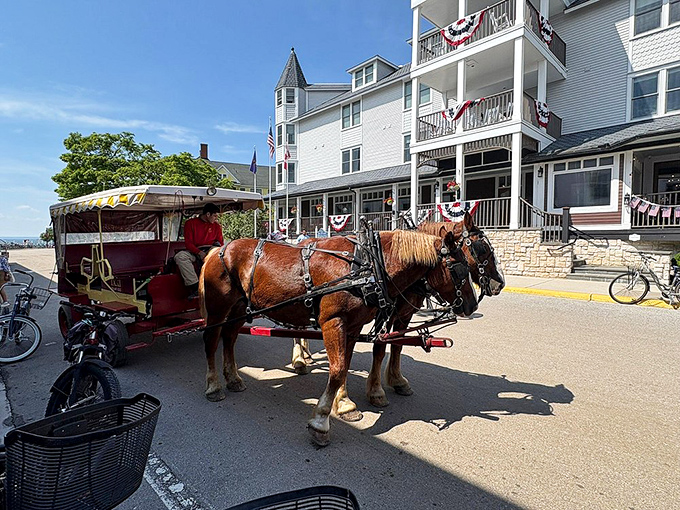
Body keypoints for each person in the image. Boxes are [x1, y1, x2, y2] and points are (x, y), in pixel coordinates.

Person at [175, 203, 223, 299]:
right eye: (215, 216)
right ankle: (195, 286)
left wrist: (210, 252)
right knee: (180, 257)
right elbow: (188, 244)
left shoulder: (217, 226)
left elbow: (220, 243)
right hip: (195, 251)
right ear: (208, 214)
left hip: (211, 250)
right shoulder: (190, 223)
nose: (216, 218)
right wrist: (199, 252)